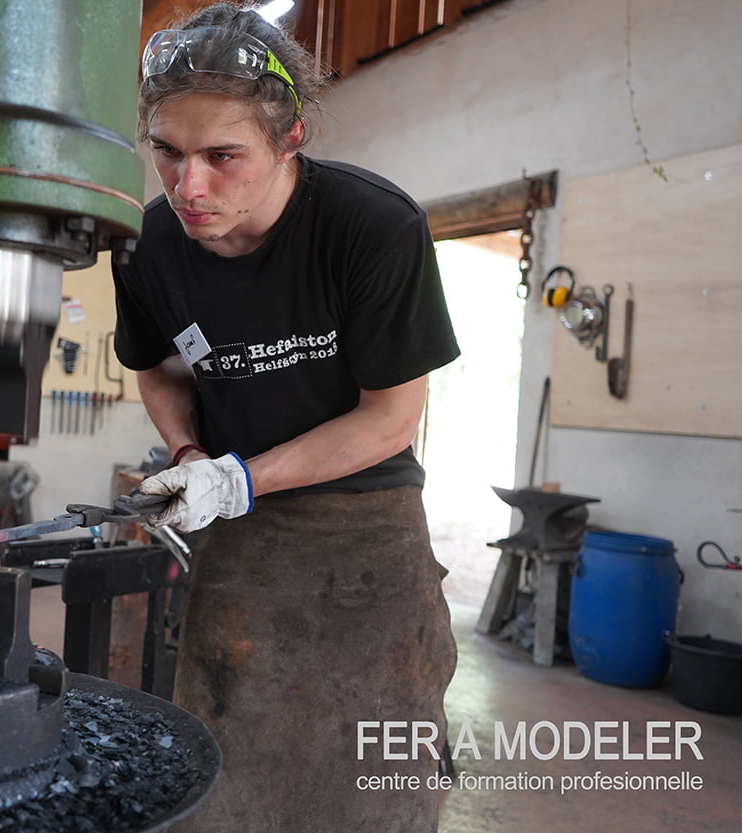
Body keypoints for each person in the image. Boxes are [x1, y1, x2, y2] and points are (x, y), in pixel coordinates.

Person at [111, 4, 460, 831]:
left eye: (222, 156)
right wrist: (194, 453)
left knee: (382, 782)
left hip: (368, 539)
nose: (188, 185)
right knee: (225, 772)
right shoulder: (150, 246)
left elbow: (388, 420)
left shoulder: (372, 228)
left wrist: (239, 477)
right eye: (167, 151)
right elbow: (156, 371)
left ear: (290, 138)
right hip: (244, 547)